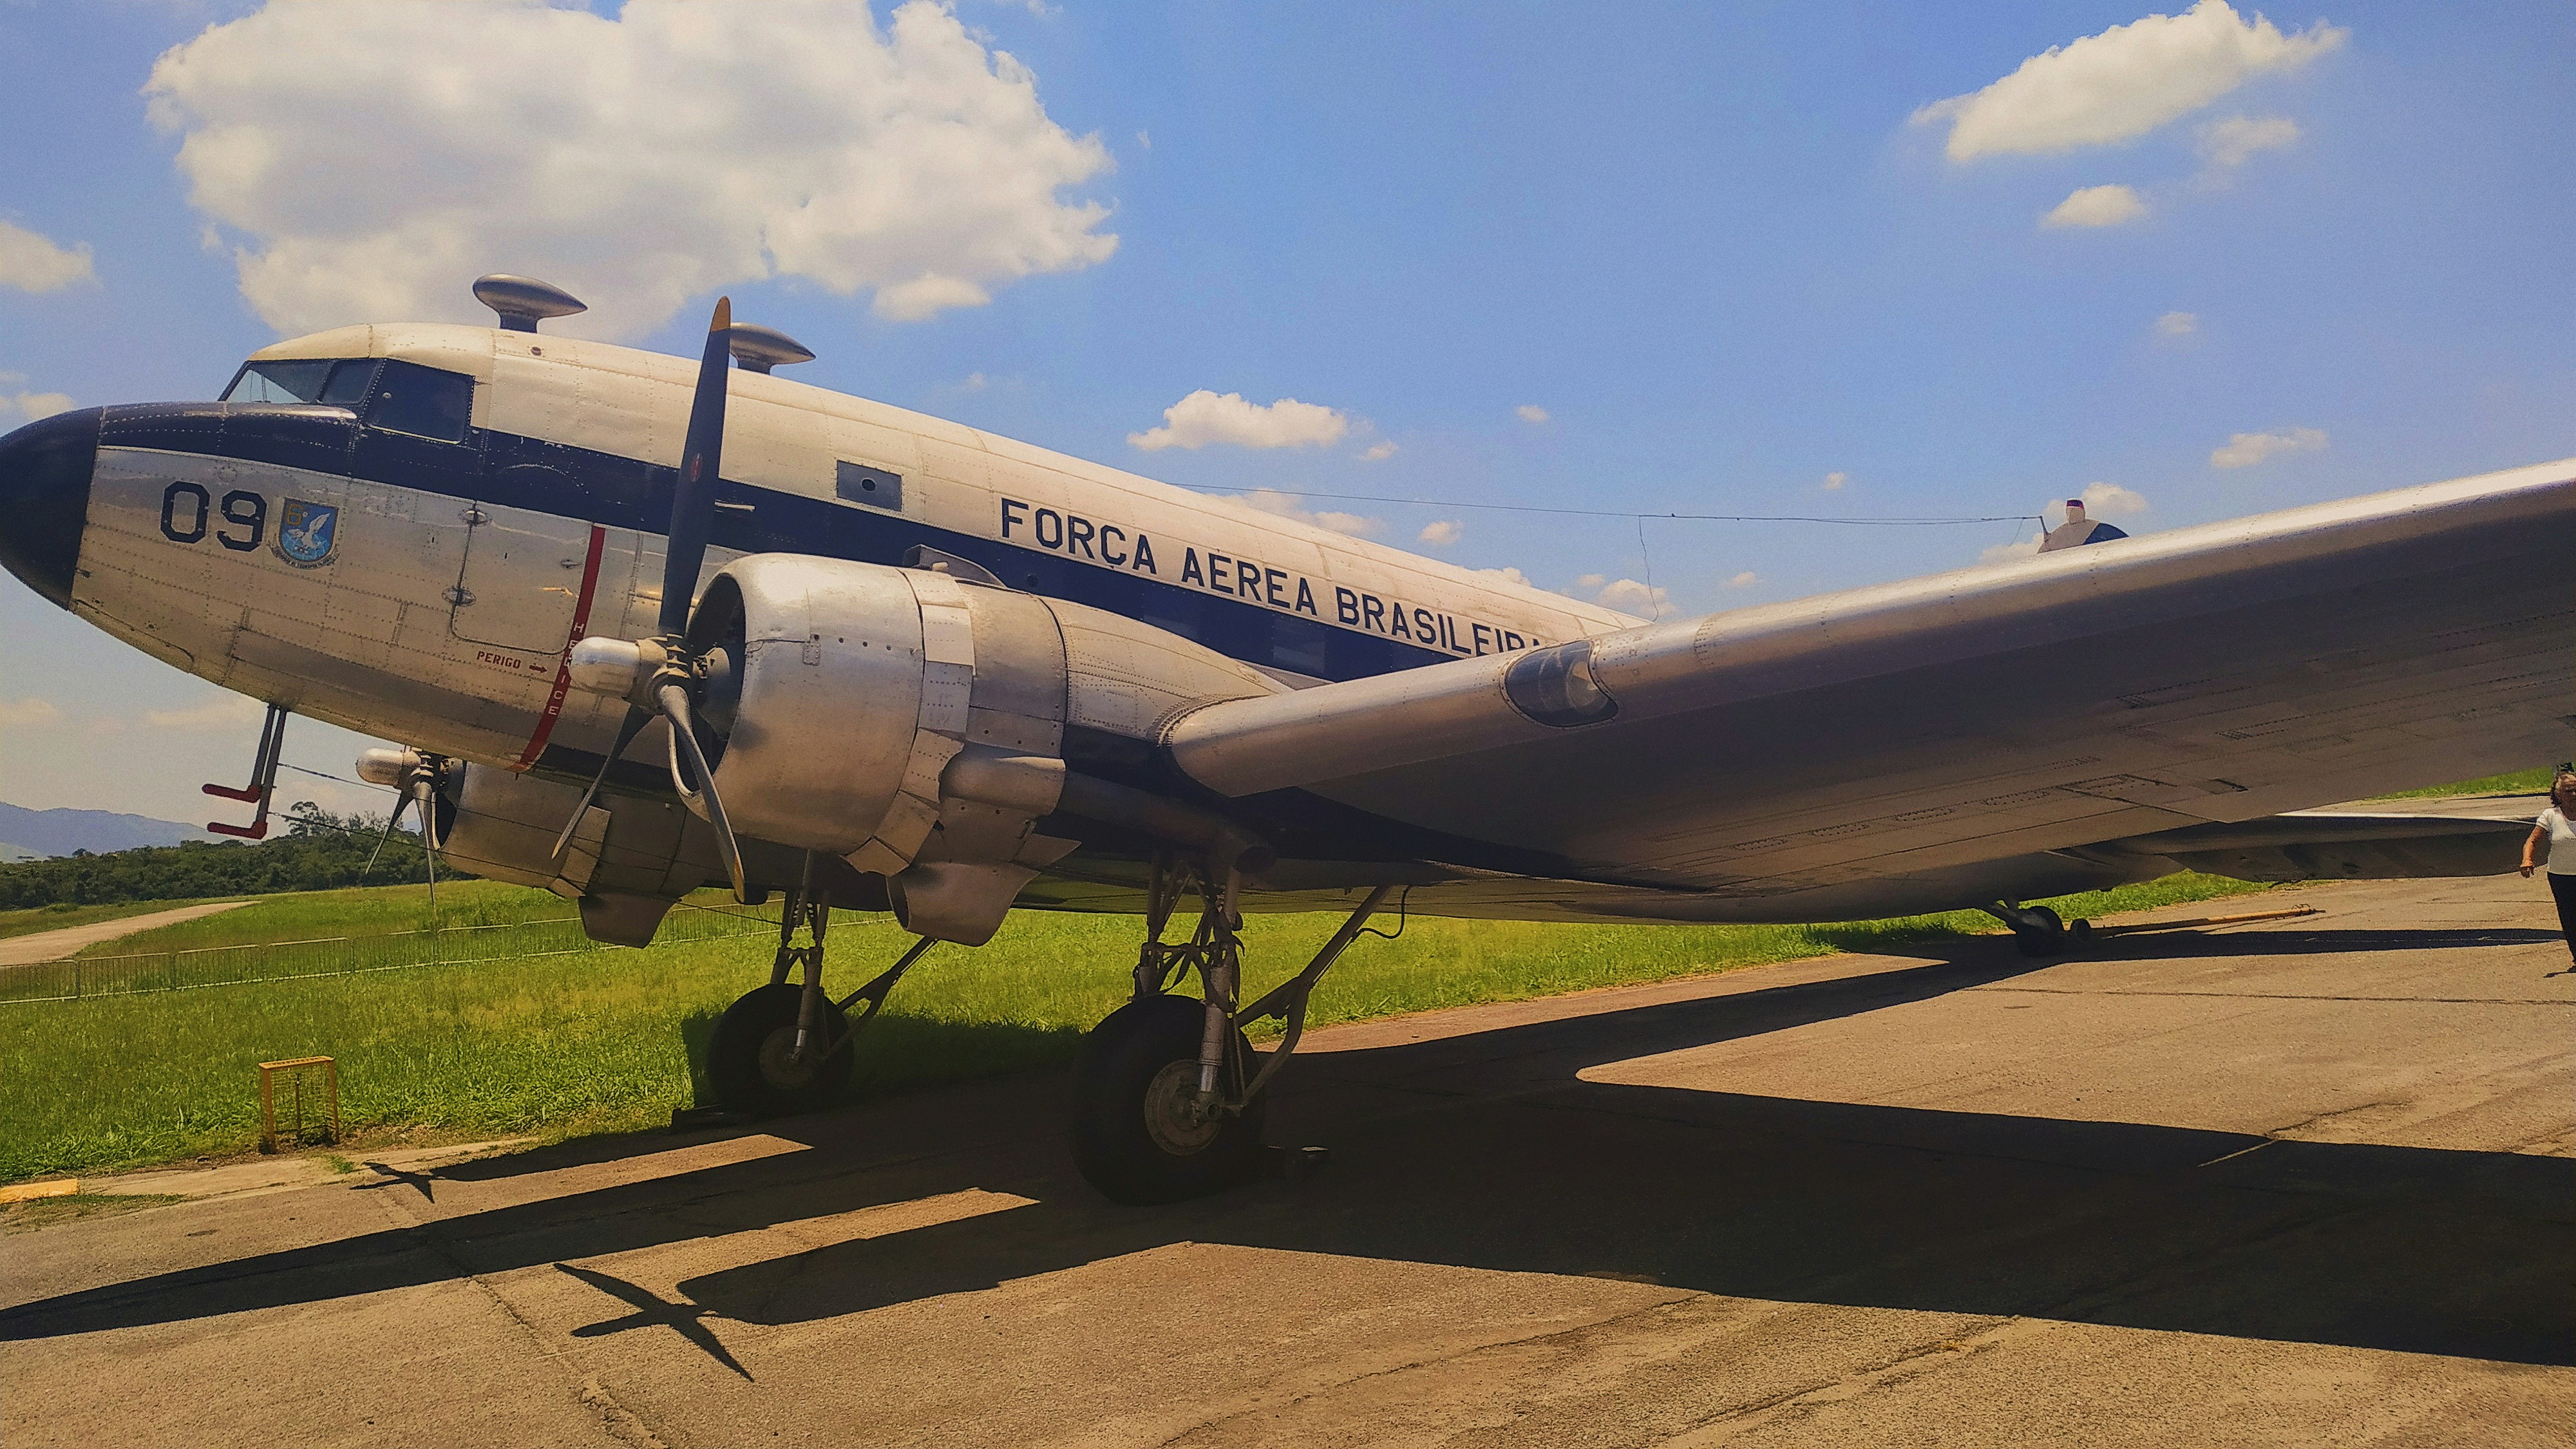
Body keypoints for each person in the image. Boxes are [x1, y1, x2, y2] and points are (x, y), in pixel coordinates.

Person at [2521, 768, 2576, 967]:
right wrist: (2527, 860)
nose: (2574, 795)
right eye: (2569, 791)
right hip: (2560, 876)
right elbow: (2532, 841)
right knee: (2569, 918)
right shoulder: (2550, 816)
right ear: (2558, 794)